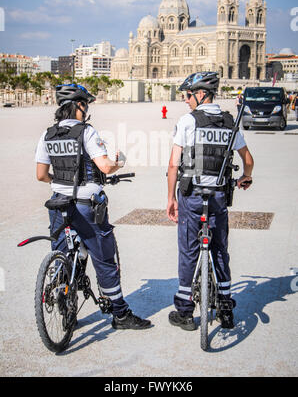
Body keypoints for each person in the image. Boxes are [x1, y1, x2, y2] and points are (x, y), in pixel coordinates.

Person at [35, 83, 151, 330]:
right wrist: (119, 162)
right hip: (86, 205)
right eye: (85, 104)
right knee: (104, 258)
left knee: (63, 256)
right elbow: (105, 167)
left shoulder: (47, 134)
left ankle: (66, 312)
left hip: (58, 203)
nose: (86, 110)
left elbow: (41, 175)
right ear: (79, 105)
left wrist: (63, 182)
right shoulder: (85, 131)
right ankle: (120, 314)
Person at [167, 72, 254, 331]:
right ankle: (225, 308)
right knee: (219, 250)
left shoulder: (187, 121)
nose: (185, 100)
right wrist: (245, 178)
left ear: (201, 94)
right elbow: (248, 160)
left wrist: (170, 198)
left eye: (188, 95)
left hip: (192, 196)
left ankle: (184, 312)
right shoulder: (230, 121)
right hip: (218, 197)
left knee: (189, 250)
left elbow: (173, 164)